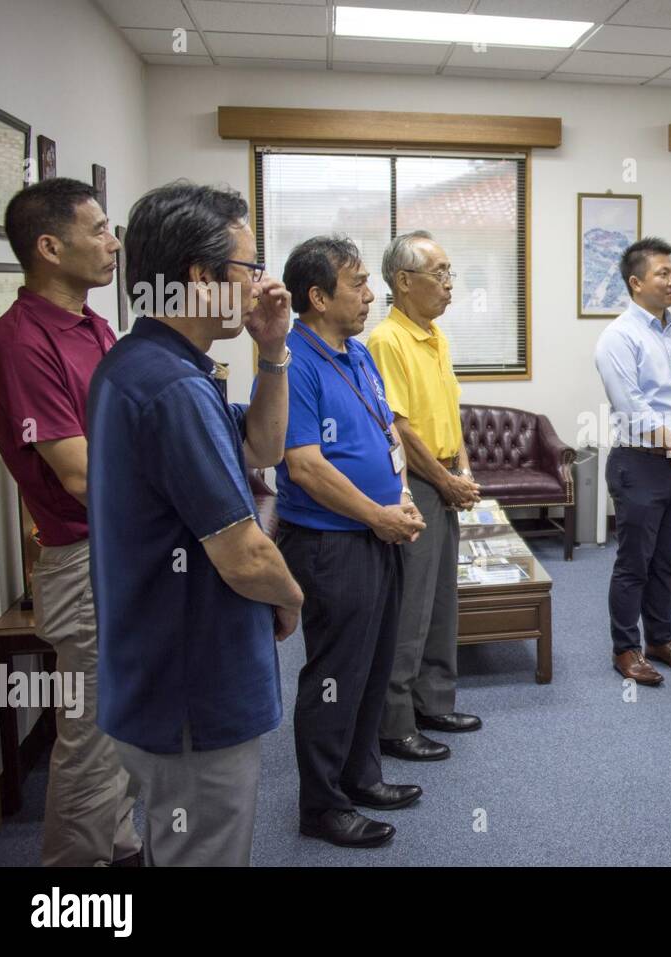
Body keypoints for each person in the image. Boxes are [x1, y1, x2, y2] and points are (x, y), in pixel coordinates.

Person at [87, 182, 303, 866]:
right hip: (190, 688)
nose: (258, 285)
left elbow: (263, 448)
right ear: (200, 276)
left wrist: (273, 352)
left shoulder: (140, 361)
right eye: (246, 268)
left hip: (155, 672)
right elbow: (244, 555)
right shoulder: (172, 387)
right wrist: (294, 595)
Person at [0, 179, 141, 867]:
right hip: (84, 559)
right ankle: (72, 886)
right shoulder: (18, 342)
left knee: (127, 724)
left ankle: (121, 845)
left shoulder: (93, 323)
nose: (113, 243)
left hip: (126, 548)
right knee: (92, 736)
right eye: (101, 229)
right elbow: (79, 472)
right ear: (50, 247)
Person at [275, 235, 426, 849]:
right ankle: (322, 805)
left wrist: (404, 497)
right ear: (317, 295)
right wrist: (377, 515)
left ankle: (362, 776)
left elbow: (387, 429)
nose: (371, 293)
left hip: (379, 531)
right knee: (335, 674)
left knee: (372, 665)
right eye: (358, 283)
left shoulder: (356, 353)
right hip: (331, 542)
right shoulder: (294, 360)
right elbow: (305, 465)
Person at [368, 233, 482, 764]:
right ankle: (394, 723)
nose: (448, 284)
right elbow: (398, 425)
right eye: (439, 273)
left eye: (450, 272)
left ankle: (433, 703)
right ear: (403, 282)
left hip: (442, 480)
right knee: (410, 610)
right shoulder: (385, 341)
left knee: (441, 603)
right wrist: (443, 479)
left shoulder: (435, 336)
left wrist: (462, 467)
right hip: (416, 485)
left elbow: (446, 413)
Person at [594, 237, 671, 686]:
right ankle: (625, 648)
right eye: (663, 274)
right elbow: (631, 407)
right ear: (636, 282)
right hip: (639, 464)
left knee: (667, 560)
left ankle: (661, 640)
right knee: (634, 564)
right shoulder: (618, 338)